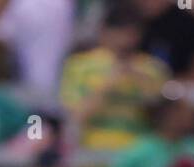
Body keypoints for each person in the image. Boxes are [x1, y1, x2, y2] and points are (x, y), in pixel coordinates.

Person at [59, 4, 170, 153]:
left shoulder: (152, 68)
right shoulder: (80, 65)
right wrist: (109, 84)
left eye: (133, 33)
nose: (126, 40)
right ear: (104, 31)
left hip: (140, 149)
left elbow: (164, 119)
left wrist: (141, 83)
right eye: (120, 32)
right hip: (92, 147)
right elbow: (74, 117)